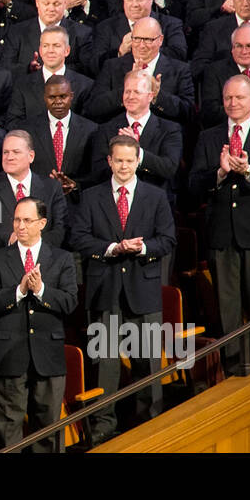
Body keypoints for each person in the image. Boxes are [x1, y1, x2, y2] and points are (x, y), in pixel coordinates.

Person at [71, 137, 176, 441]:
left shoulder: (155, 197)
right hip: (105, 292)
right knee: (106, 364)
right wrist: (112, 248)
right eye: (119, 160)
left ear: (137, 161)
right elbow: (79, 238)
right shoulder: (91, 197)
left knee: (148, 362)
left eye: (130, 160)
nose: (124, 166)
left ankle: (150, 422)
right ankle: (104, 426)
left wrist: (143, 247)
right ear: (110, 161)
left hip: (143, 291)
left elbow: (167, 240)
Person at [189, 75, 250, 374]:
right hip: (222, 234)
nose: (233, 104)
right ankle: (232, 370)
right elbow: (193, 185)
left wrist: (249, 172)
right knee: (227, 309)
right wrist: (219, 174)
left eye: (240, 98)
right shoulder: (209, 136)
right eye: (228, 98)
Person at [0, 196, 79, 450]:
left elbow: (70, 302)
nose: (20, 226)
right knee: (8, 426)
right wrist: (20, 291)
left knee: (48, 427)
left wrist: (42, 289)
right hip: (9, 356)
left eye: (27, 220)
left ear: (42, 223)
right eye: (16, 220)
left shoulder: (61, 258)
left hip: (48, 355)